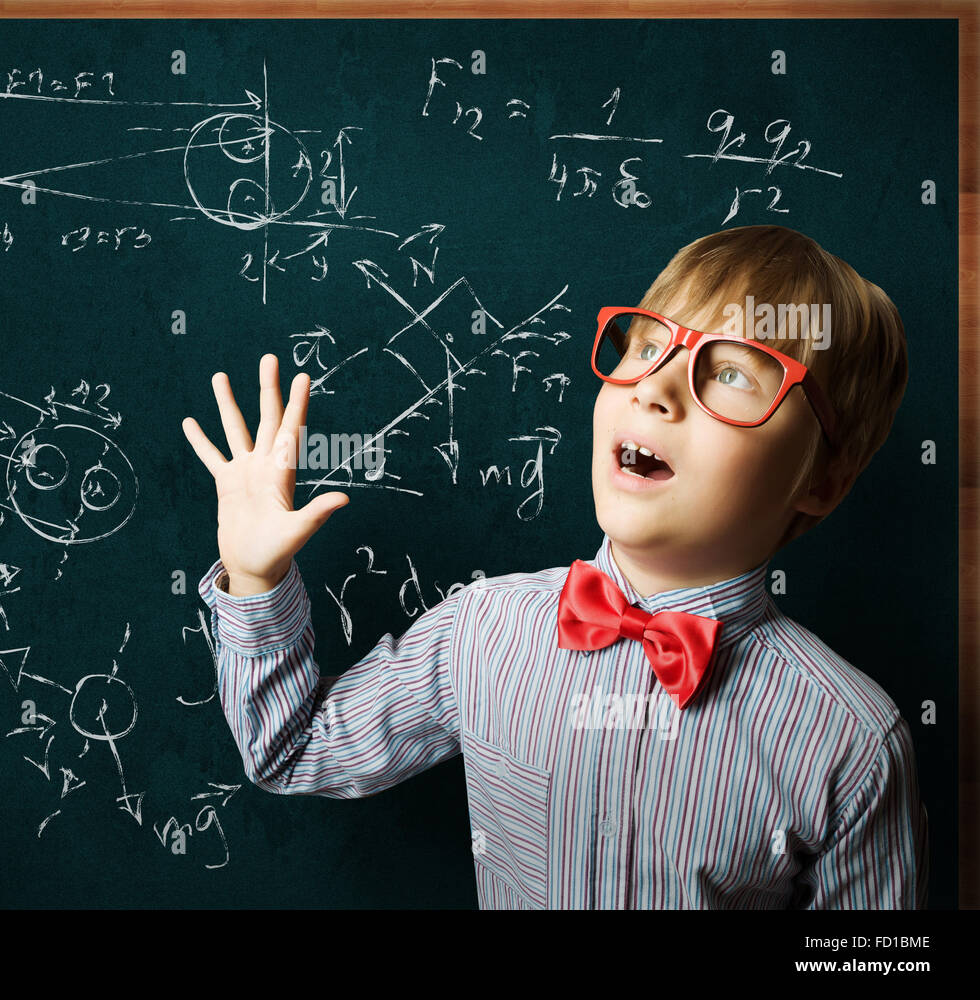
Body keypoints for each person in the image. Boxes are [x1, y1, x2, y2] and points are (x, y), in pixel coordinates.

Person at [180, 224, 928, 909]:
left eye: (732, 374)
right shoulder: (481, 630)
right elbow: (291, 748)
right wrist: (255, 578)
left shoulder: (853, 742)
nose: (657, 389)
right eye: (645, 345)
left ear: (822, 482)